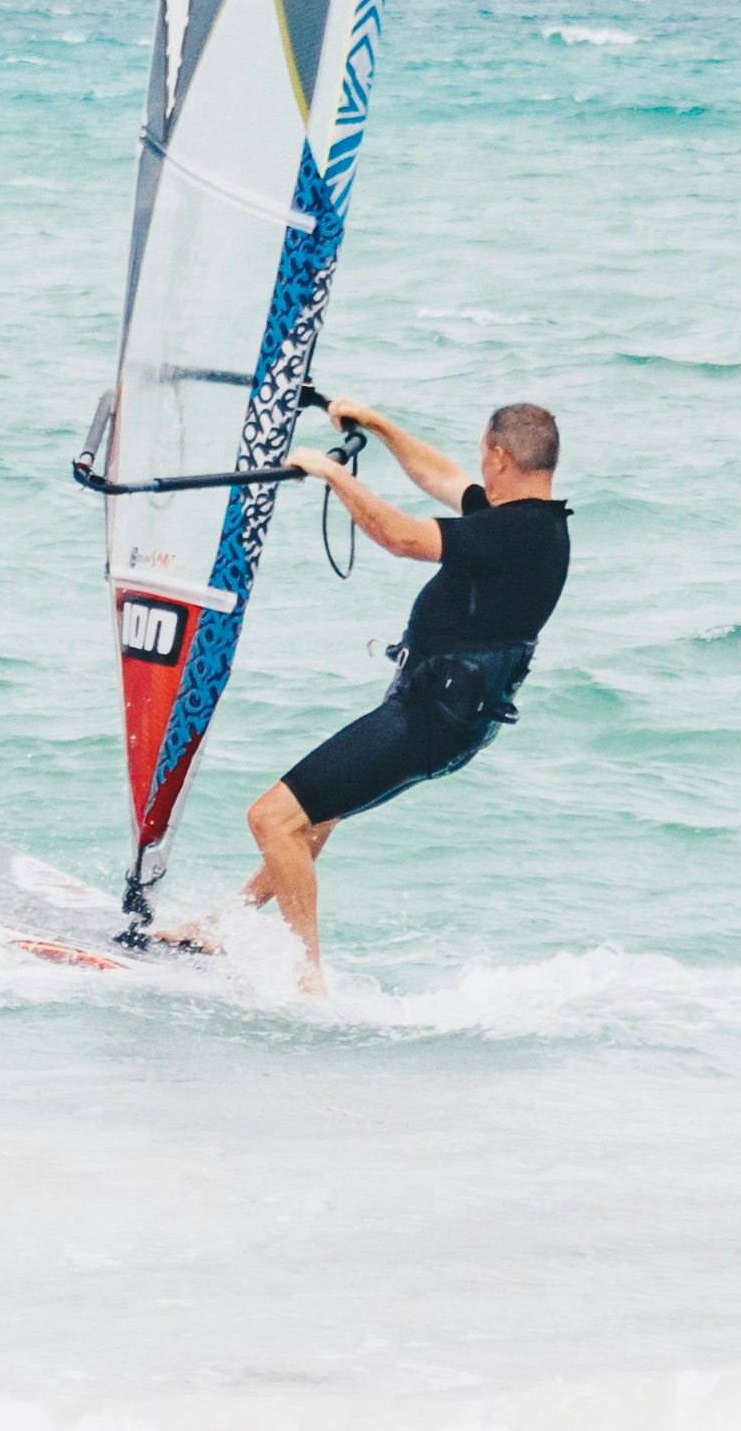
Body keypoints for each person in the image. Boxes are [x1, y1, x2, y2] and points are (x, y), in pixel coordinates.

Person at [205, 397, 570, 990]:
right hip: (439, 712)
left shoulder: (516, 533)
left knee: (273, 820)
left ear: (500, 457)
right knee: (311, 816)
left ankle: (306, 982)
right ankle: (223, 928)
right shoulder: (530, 521)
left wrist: (334, 475)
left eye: (484, 455)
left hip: (432, 718)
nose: (477, 467)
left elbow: (399, 537)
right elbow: (441, 478)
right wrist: (377, 425)